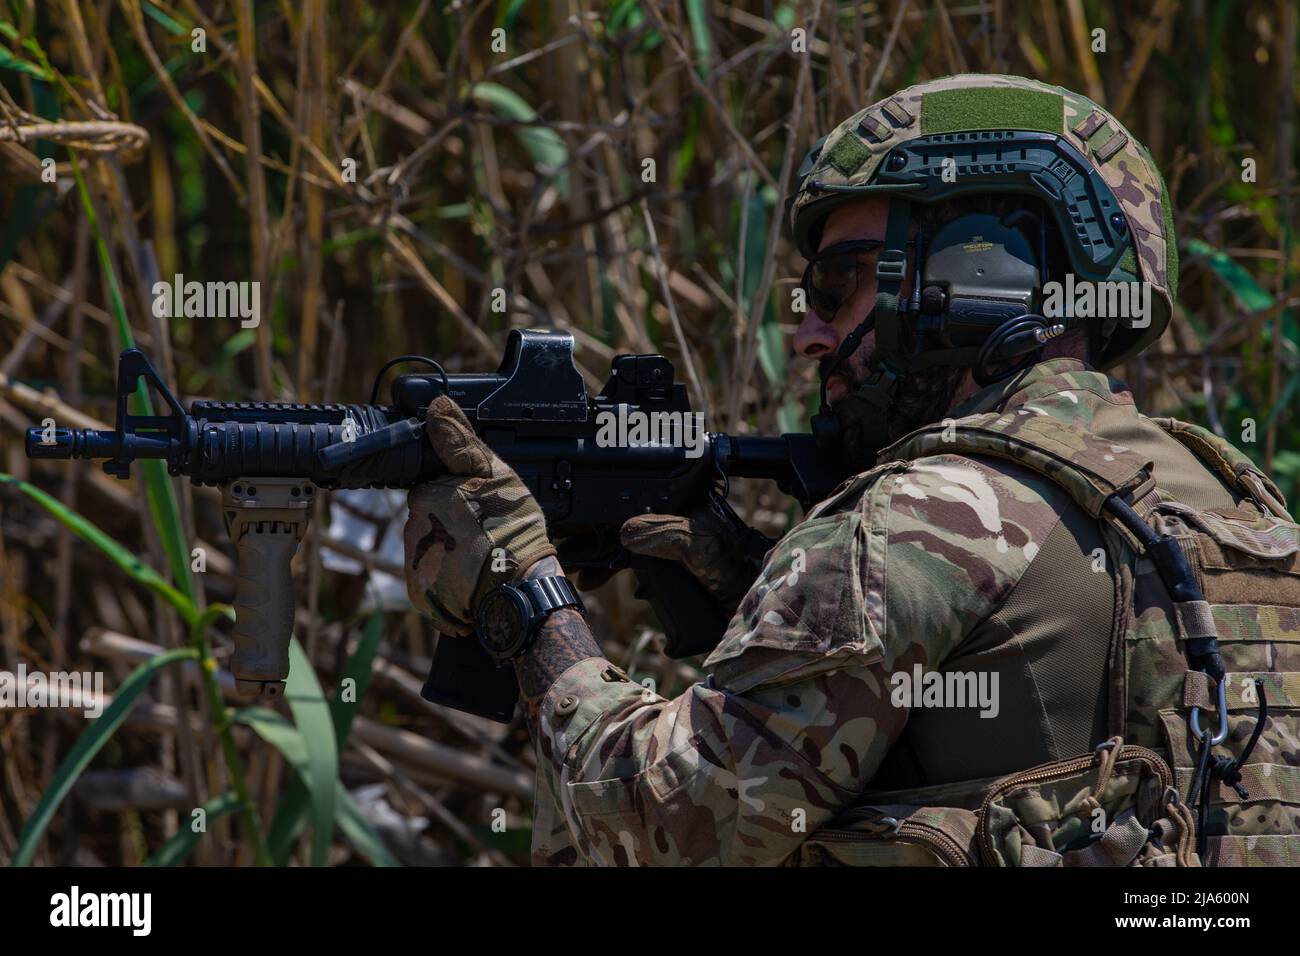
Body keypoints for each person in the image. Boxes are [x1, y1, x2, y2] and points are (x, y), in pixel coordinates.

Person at [403, 75, 1300, 867]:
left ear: (974, 271)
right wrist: (760, 592)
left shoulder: (923, 516)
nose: (808, 333)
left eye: (841, 285)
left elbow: (658, 828)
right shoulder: (1238, 508)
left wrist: (522, 594)